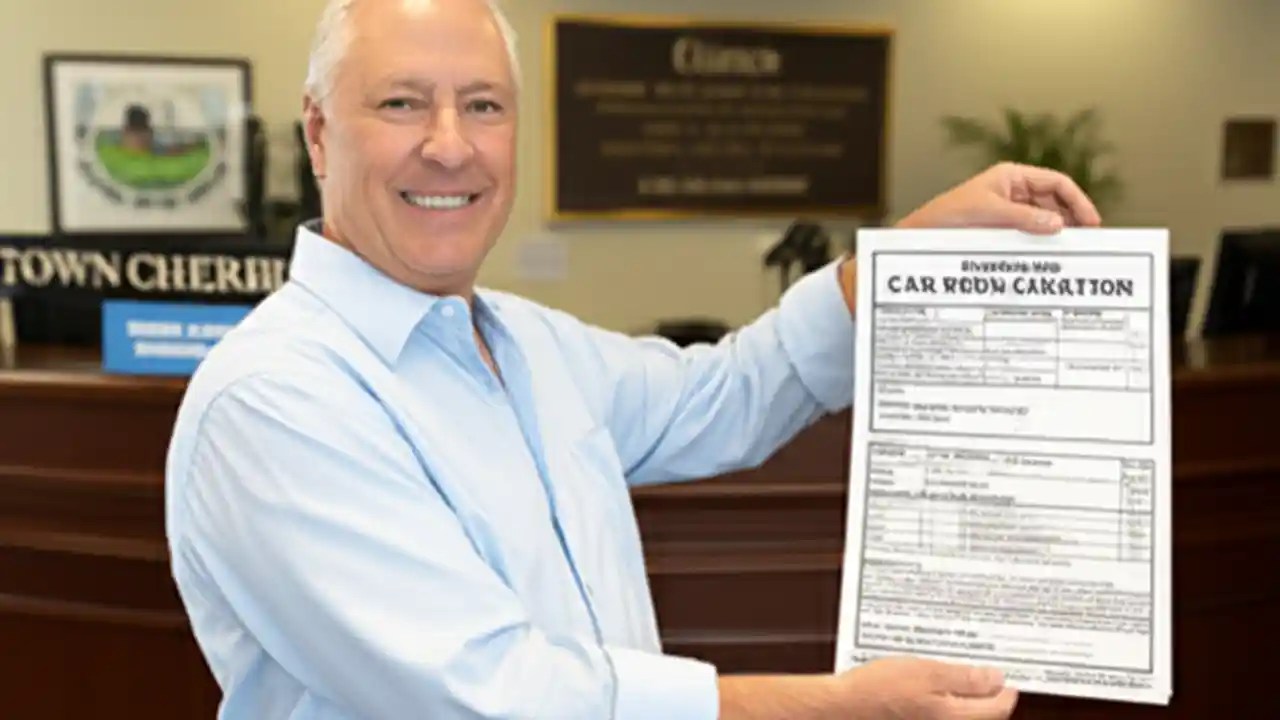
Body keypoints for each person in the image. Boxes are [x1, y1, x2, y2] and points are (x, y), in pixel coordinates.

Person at [164, 0, 1102, 718]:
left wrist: (903, 256)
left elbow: (730, 394)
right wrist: (831, 705)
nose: (449, 146)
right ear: (319, 134)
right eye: (402, 103)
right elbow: (494, 696)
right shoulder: (274, 399)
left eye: (483, 106)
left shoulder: (534, 344)